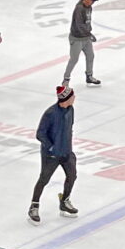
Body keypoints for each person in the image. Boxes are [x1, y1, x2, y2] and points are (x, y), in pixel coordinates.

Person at [28, 85, 80, 221]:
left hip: (66, 152)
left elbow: (70, 127)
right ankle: (34, 206)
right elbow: (40, 134)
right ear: (66, 98)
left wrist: (67, 145)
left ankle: (65, 201)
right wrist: (51, 147)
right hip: (51, 155)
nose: (74, 98)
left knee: (72, 176)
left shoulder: (71, 109)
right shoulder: (50, 113)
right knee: (44, 180)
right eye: (72, 96)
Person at [64, 0, 102, 86]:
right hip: (77, 38)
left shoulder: (90, 7)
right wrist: (89, 34)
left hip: (86, 37)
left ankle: (89, 76)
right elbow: (79, 25)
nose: (92, 2)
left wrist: (89, 33)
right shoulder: (79, 8)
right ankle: (66, 79)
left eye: (93, 1)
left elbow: (87, 22)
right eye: (91, 0)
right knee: (74, 59)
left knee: (90, 56)